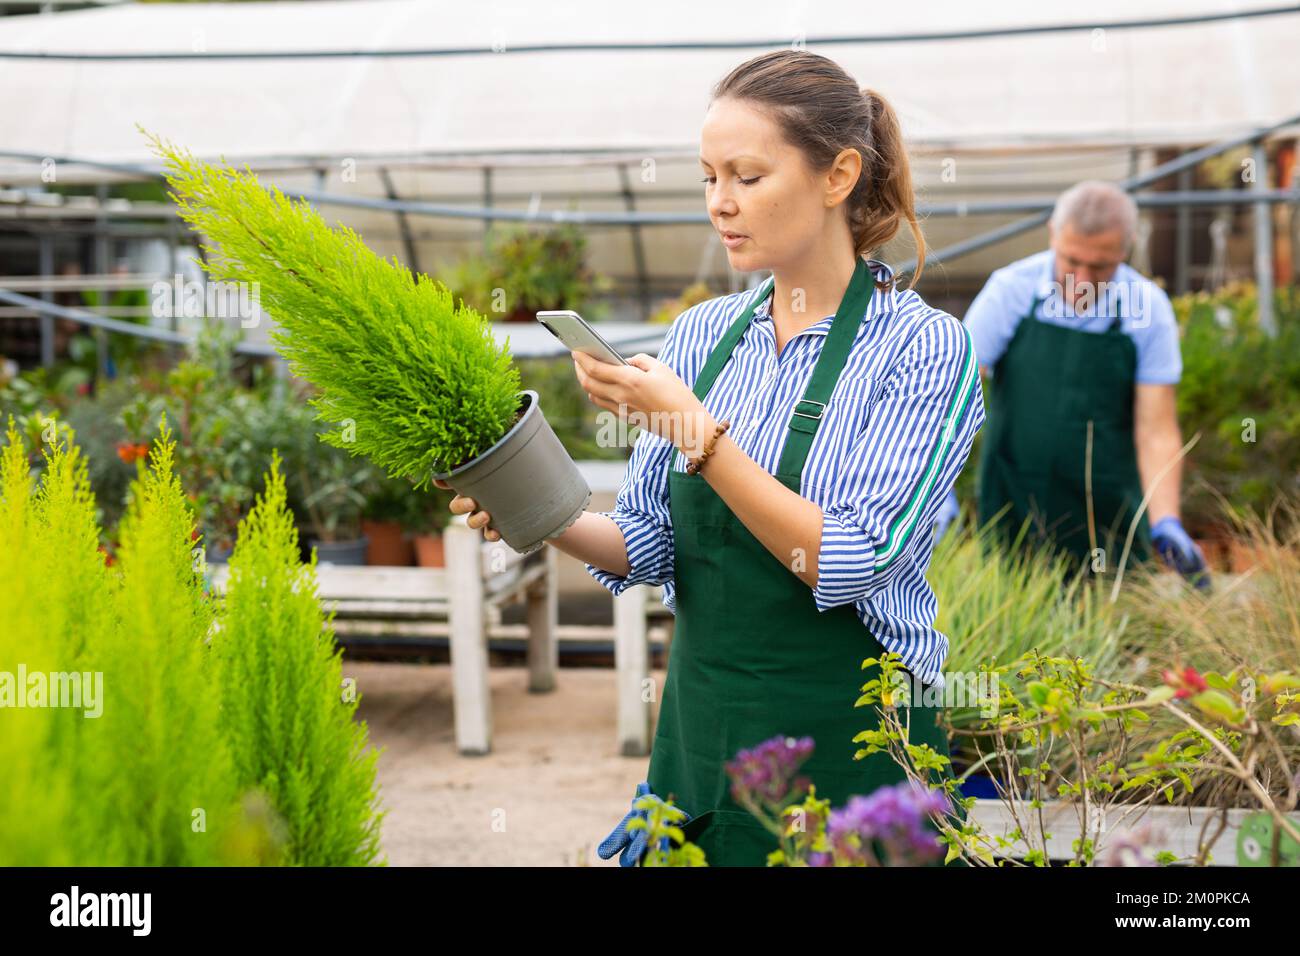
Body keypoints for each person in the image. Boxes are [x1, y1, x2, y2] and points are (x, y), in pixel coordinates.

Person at [436, 50, 985, 866]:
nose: (720, 204)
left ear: (838, 175)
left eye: (747, 177)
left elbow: (845, 560)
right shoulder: (701, 336)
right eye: (706, 178)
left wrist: (697, 436)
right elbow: (654, 543)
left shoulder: (925, 351)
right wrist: (531, 506)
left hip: (855, 744)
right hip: (701, 729)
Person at [962, 181, 1209, 588]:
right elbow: (954, 396)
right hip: (1014, 501)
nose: (1080, 280)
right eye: (1070, 261)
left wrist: (1165, 519)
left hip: (1108, 513)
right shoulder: (1010, 291)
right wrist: (930, 490)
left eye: (1099, 267)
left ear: (1125, 252)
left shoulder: (1146, 309)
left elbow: (1157, 431)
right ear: (1053, 236)